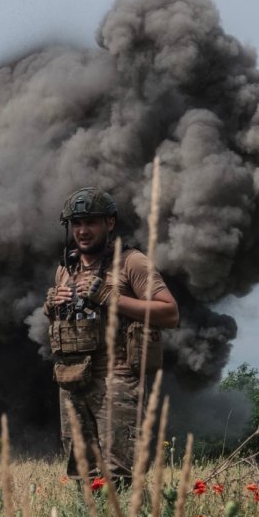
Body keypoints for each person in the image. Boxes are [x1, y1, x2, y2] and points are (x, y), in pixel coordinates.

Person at [44, 187, 178, 484]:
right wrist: (53, 303)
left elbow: (169, 313)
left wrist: (110, 297)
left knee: (121, 474)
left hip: (117, 379)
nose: (82, 230)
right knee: (81, 472)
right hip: (72, 378)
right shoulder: (66, 268)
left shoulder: (132, 262)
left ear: (110, 223)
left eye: (91, 222)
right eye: (76, 223)